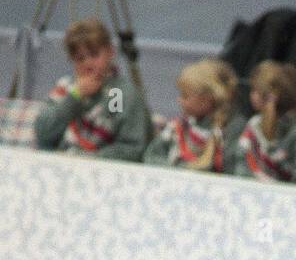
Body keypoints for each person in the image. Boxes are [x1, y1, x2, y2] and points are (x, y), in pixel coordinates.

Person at [34, 17, 150, 161]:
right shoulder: (66, 87)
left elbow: (130, 147)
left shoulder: (118, 93)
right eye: (80, 59)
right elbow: (43, 135)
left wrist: (91, 159)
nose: (88, 63)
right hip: (59, 163)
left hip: (100, 168)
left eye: (94, 54)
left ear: (110, 52)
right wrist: (75, 96)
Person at [143, 60, 244, 173]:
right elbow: (151, 157)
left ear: (208, 99)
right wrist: (175, 171)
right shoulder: (178, 127)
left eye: (185, 96)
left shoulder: (233, 131)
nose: (179, 100)